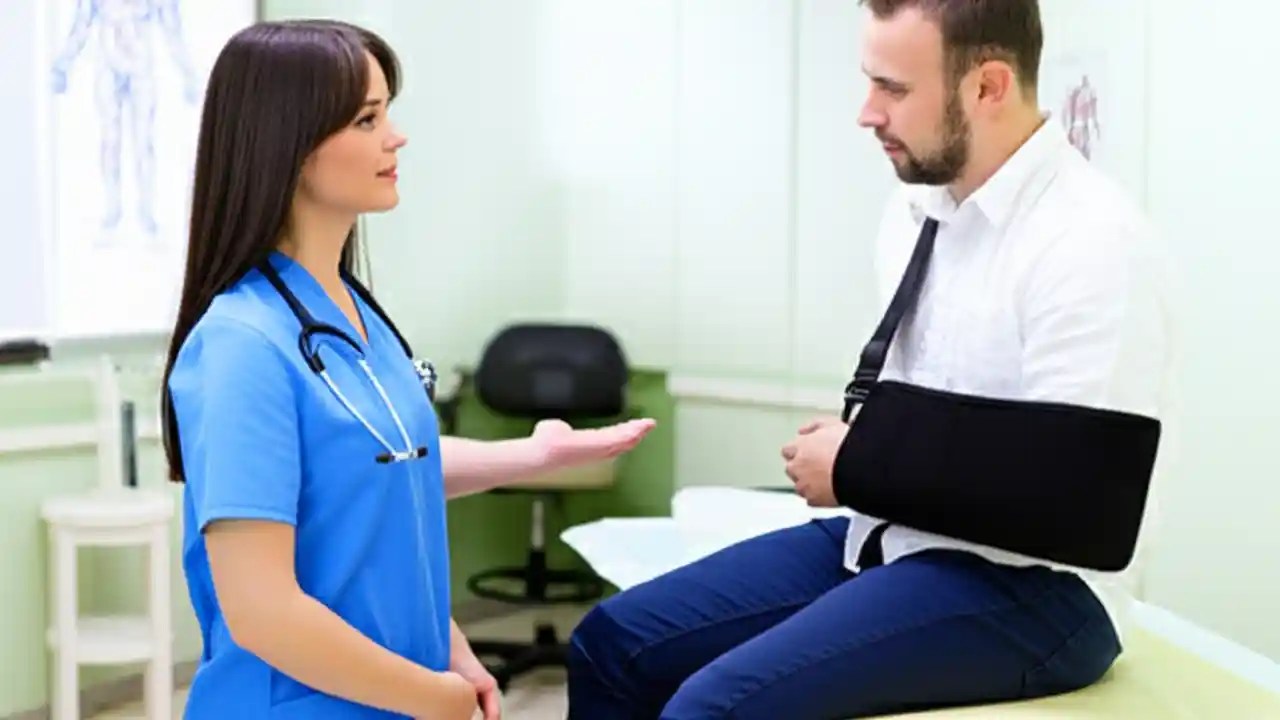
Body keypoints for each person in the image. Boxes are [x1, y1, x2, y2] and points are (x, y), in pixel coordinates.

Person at [566, 1, 1172, 718]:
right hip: (890, 538)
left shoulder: (1090, 240)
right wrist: (868, 463)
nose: (866, 112)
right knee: (609, 643)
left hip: (1039, 588)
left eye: (894, 88)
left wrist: (859, 464)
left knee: (711, 709)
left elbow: (1078, 506)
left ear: (988, 86)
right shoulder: (914, 214)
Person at [160, 20, 654, 720]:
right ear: (289, 143)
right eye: (367, 119)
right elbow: (262, 611)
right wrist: (431, 697)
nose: (396, 137)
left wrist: (447, 646)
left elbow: (382, 475)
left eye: (386, 112)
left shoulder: (351, 312)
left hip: (391, 693)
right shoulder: (241, 346)